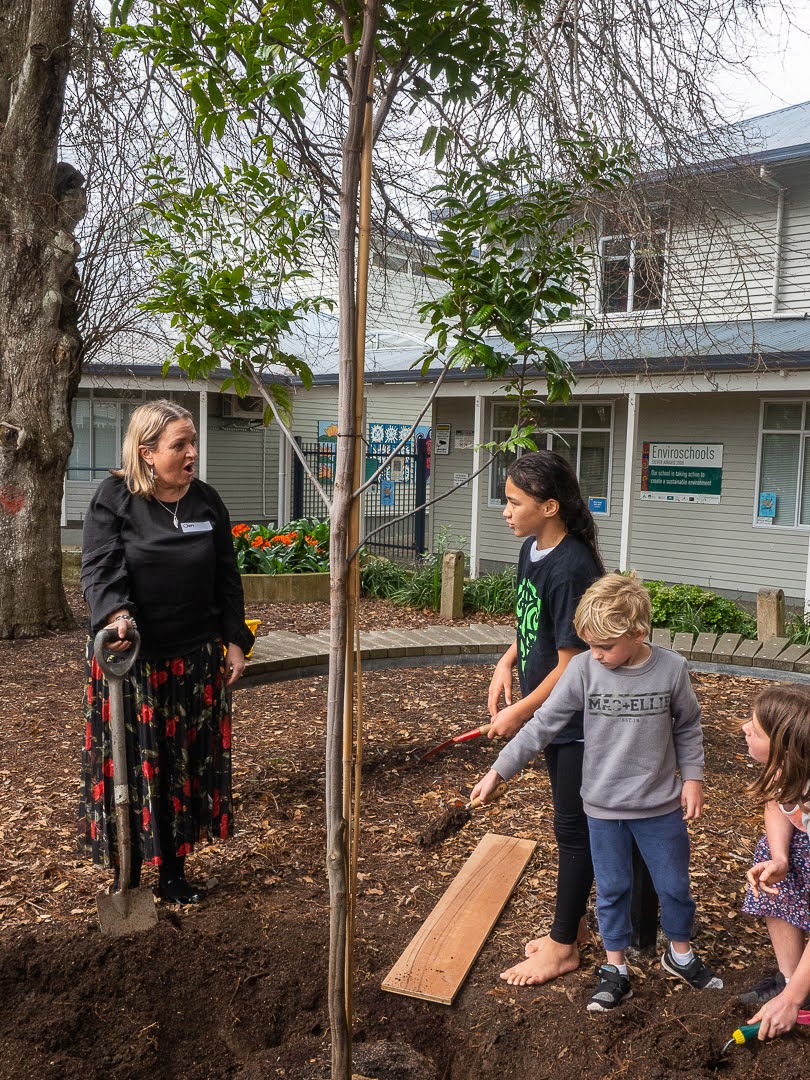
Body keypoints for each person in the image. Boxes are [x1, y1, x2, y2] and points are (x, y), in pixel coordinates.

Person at [472, 573, 724, 1012]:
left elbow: (687, 726)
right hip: (603, 808)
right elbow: (543, 724)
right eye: (590, 645)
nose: (597, 654)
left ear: (638, 633)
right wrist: (499, 771)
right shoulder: (584, 669)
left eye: (605, 646)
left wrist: (693, 778)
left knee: (674, 885)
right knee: (612, 889)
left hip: (660, 806)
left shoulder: (671, 669)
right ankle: (615, 968)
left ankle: (680, 954)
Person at [78, 399, 254, 904]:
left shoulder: (205, 501)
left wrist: (235, 640)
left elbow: (226, 577)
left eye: (193, 442)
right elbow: (100, 569)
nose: (192, 452)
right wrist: (117, 616)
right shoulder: (114, 499)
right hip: (133, 663)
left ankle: (174, 872)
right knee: (132, 768)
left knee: (182, 768)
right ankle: (127, 873)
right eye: (181, 445)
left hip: (193, 661)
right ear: (147, 452)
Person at [486, 450, 604, 986]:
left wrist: (521, 713)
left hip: (576, 721)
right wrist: (507, 661)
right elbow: (533, 623)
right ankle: (572, 927)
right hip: (551, 714)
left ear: (549, 506)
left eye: (515, 502)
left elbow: (573, 663)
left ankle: (563, 947)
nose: (505, 511)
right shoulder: (532, 549)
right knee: (571, 826)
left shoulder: (573, 566)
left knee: (573, 829)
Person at [738, 684, 810, 1038]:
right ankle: (794, 982)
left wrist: (789, 1003)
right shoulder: (787, 768)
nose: (744, 728)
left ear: (784, 748)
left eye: (755, 728)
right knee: (770, 855)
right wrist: (780, 857)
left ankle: (795, 995)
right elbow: (776, 802)